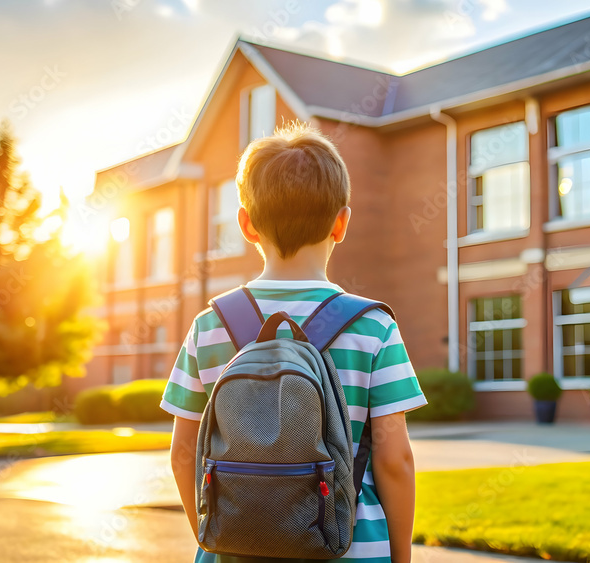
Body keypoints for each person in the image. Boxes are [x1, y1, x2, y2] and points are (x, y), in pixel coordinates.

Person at [161, 121, 427, 563]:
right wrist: (400, 558)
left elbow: (181, 454)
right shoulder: (373, 327)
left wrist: (215, 539)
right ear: (341, 223)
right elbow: (395, 459)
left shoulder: (210, 325)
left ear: (246, 224)